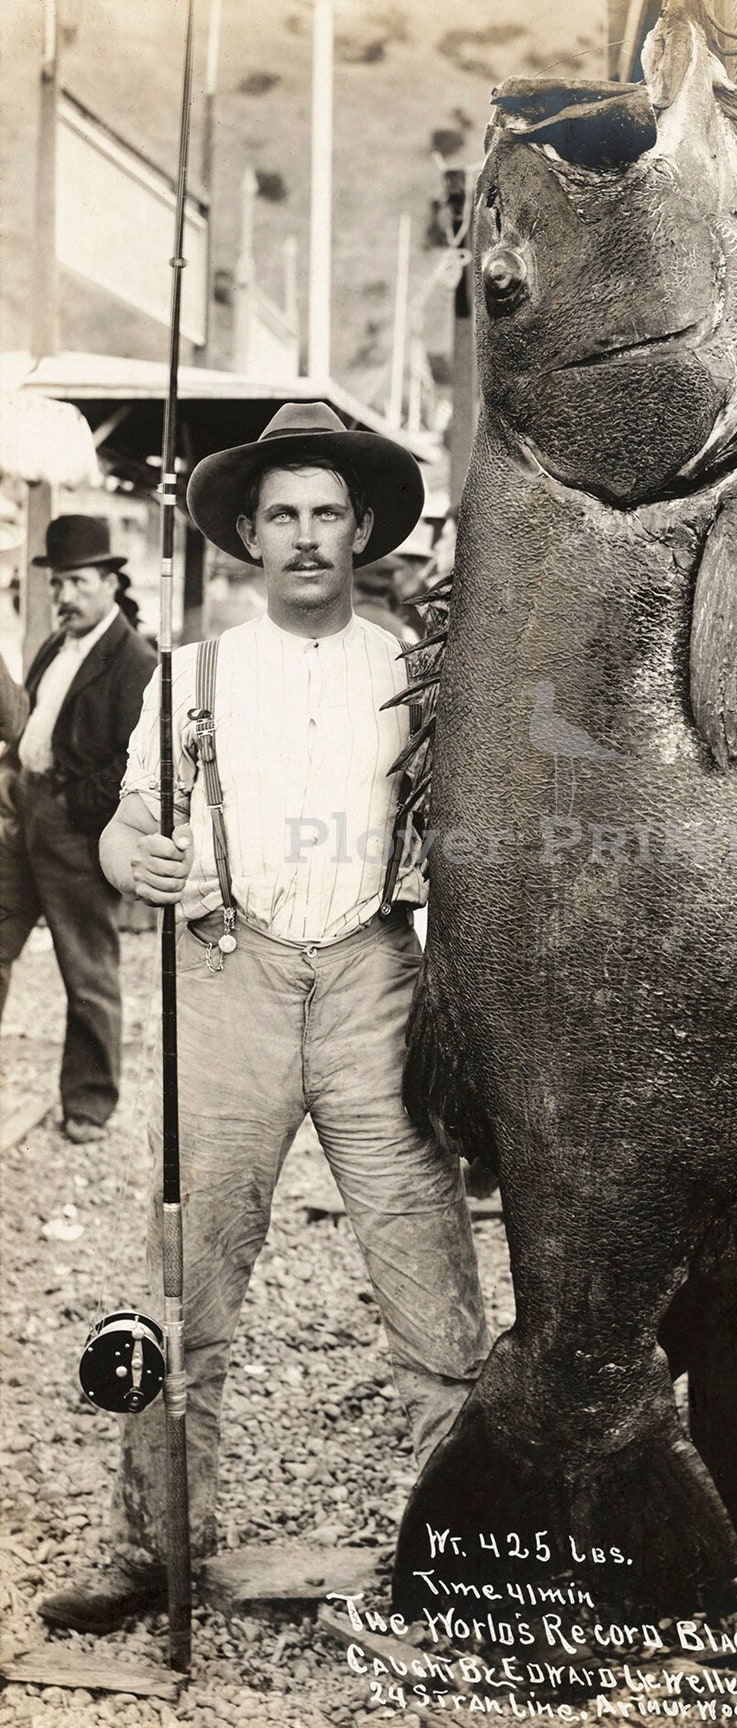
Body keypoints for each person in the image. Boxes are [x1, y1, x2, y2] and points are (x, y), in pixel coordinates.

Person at [40, 402, 489, 1633]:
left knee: (429, 1276)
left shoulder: (411, 664)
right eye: (281, 514)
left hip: (372, 981)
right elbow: (126, 826)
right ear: (246, 532)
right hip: (227, 980)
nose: (304, 537)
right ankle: (151, 1550)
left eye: (327, 514)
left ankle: (466, 1548)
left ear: (362, 532)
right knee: (189, 1278)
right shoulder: (192, 671)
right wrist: (147, 866)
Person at [0, 515, 155, 1141]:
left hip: (79, 833)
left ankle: (89, 1104)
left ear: (111, 582)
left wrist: (71, 808)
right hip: (21, 822)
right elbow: (29, 726)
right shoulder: (54, 645)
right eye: (57, 583)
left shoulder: (134, 661)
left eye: (78, 582)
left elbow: (135, 760)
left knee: (87, 972)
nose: (64, 596)